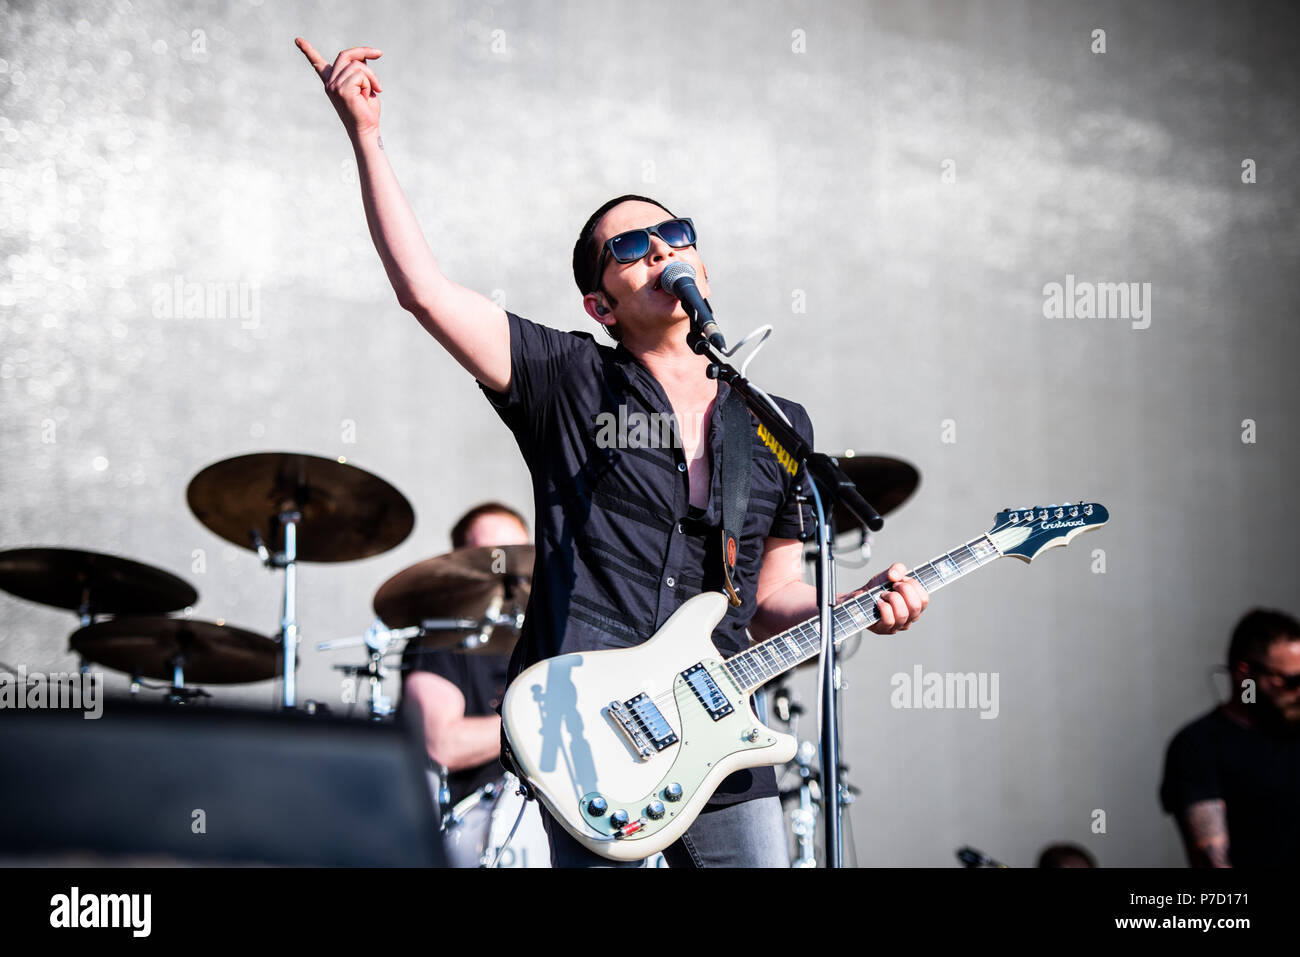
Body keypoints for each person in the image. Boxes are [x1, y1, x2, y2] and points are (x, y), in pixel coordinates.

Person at [297, 40, 929, 867]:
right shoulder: (565, 377)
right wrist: (367, 135)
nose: (660, 250)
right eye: (632, 248)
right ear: (601, 303)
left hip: (719, 723)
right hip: (593, 731)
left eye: (674, 234)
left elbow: (771, 593)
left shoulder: (777, 420)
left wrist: (853, 605)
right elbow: (424, 290)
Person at [401, 502, 530, 868]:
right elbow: (443, 743)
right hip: (476, 820)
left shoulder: (546, 640)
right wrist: (533, 726)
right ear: (461, 564)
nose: (507, 566)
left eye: (519, 554)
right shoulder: (440, 642)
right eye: (490, 556)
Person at [1160, 609, 1300, 867]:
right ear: (1244, 673)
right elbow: (1213, 859)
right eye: (1291, 681)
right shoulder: (1200, 744)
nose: (1298, 692)